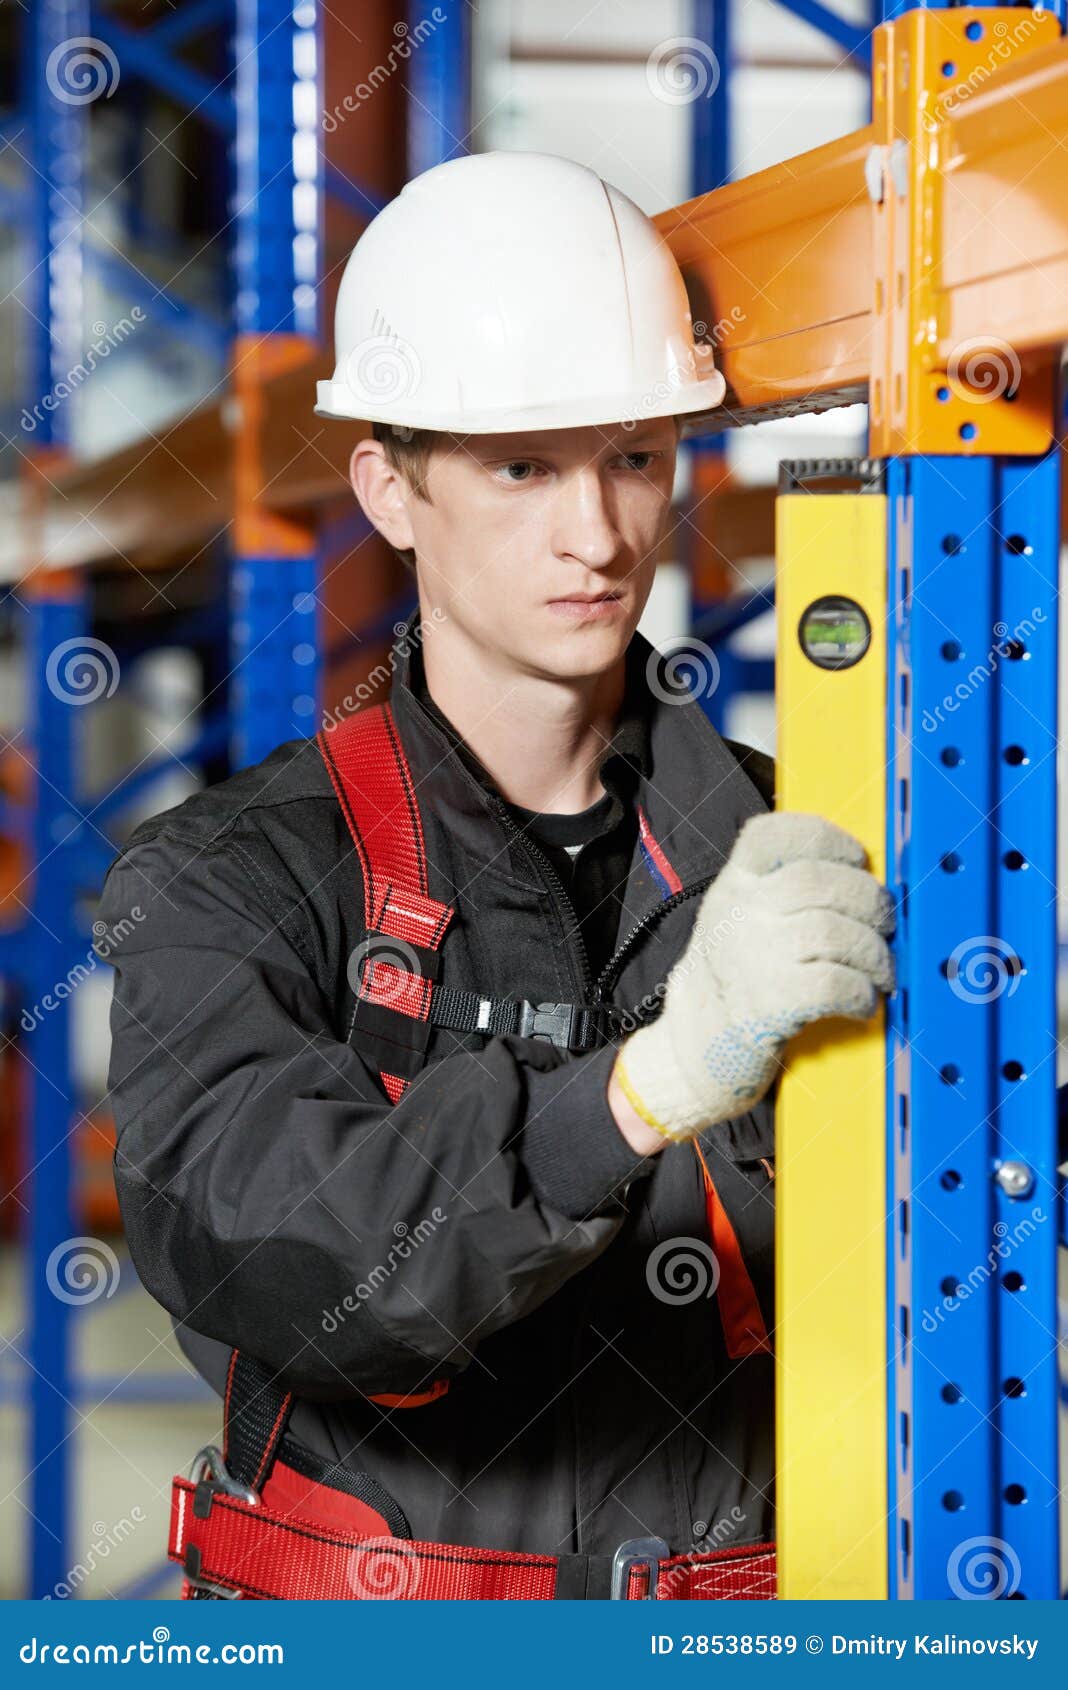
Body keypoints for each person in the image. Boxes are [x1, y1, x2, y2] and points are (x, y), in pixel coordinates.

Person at [96, 151, 894, 1600]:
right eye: (523, 465)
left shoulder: (796, 862)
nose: (597, 535)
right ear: (391, 490)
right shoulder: (225, 883)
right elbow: (286, 1266)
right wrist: (648, 1088)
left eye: (636, 457)